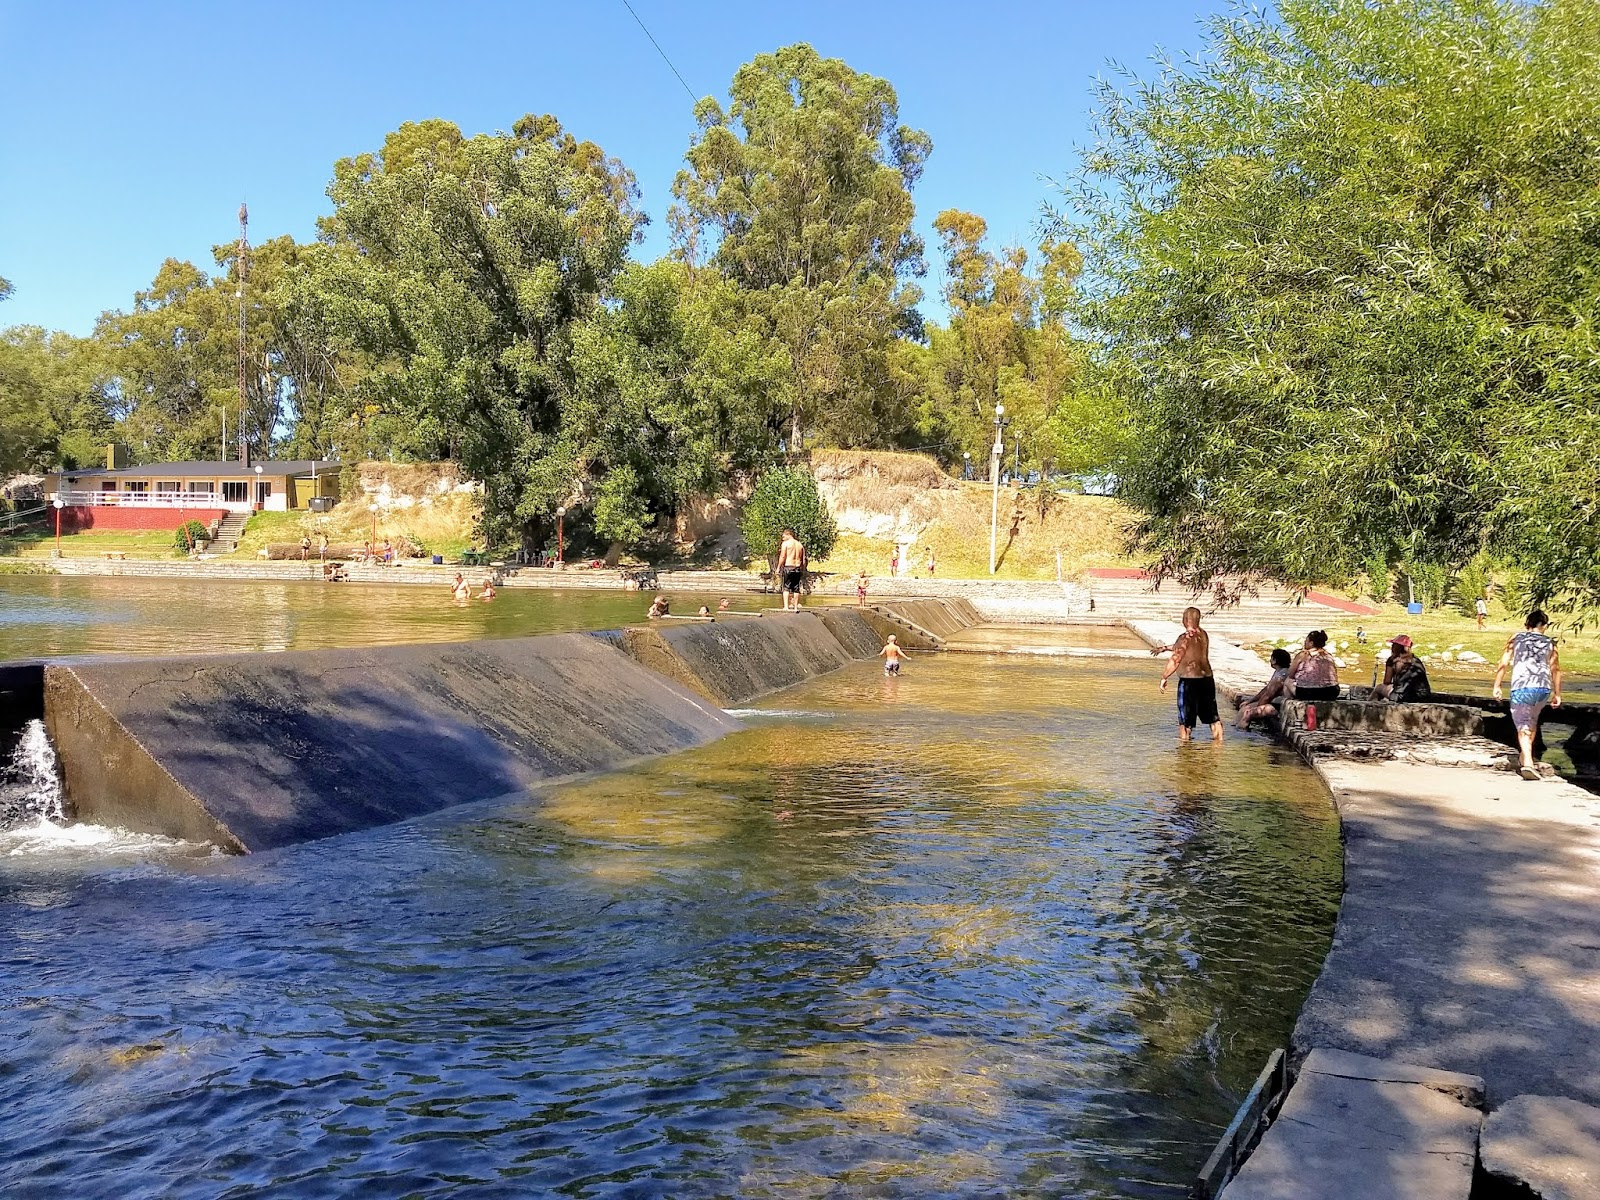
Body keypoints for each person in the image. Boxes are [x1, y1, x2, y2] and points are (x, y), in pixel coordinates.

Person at [1493, 609, 1562, 780]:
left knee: (1523, 724)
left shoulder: (1516, 638)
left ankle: (1528, 764)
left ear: (1527, 625)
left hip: (1522, 687)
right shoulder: (1550, 643)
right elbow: (1555, 669)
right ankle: (1524, 757)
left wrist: (1497, 685)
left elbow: (1504, 663)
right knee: (1531, 721)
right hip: (1542, 688)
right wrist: (1557, 693)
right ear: (1545, 626)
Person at [1155, 607, 1224, 743]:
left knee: (1185, 722)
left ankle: (1185, 754)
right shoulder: (1203, 635)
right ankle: (1219, 749)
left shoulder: (1184, 638)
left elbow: (1176, 659)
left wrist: (1164, 677)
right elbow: (1186, 647)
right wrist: (1164, 648)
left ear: (1184, 620)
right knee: (1213, 718)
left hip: (1189, 682)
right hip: (1207, 681)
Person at [1236, 648, 1293, 728]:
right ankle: (1235, 727)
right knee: (1244, 707)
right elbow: (1266, 690)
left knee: (1248, 713)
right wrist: (1250, 701)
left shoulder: (1281, 676)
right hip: (1272, 703)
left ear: (1275, 660)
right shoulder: (1278, 672)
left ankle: (1241, 734)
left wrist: (1257, 707)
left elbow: (1268, 696)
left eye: (1271, 658)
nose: (1270, 660)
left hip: (1278, 706)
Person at [1372, 635, 1430, 702]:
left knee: (1379, 688)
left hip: (1402, 696)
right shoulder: (1416, 661)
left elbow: (1387, 681)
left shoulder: (1392, 660)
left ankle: (1369, 704)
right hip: (1423, 696)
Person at [1288, 630, 1340, 703]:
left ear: (1311, 643)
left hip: (1308, 692)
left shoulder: (1303, 655)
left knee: (1287, 681)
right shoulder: (1328, 655)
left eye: (1306, 640)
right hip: (1331, 692)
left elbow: (1290, 674)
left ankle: (1290, 706)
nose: (1304, 642)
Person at [777, 528, 807, 612]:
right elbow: (803, 559)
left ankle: (786, 607)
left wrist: (778, 567)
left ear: (788, 534)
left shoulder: (785, 544)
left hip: (788, 567)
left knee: (786, 587)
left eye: (783, 536)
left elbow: (783, 556)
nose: (782, 538)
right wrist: (802, 569)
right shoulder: (800, 544)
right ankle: (796, 608)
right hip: (797, 568)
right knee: (796, 588)